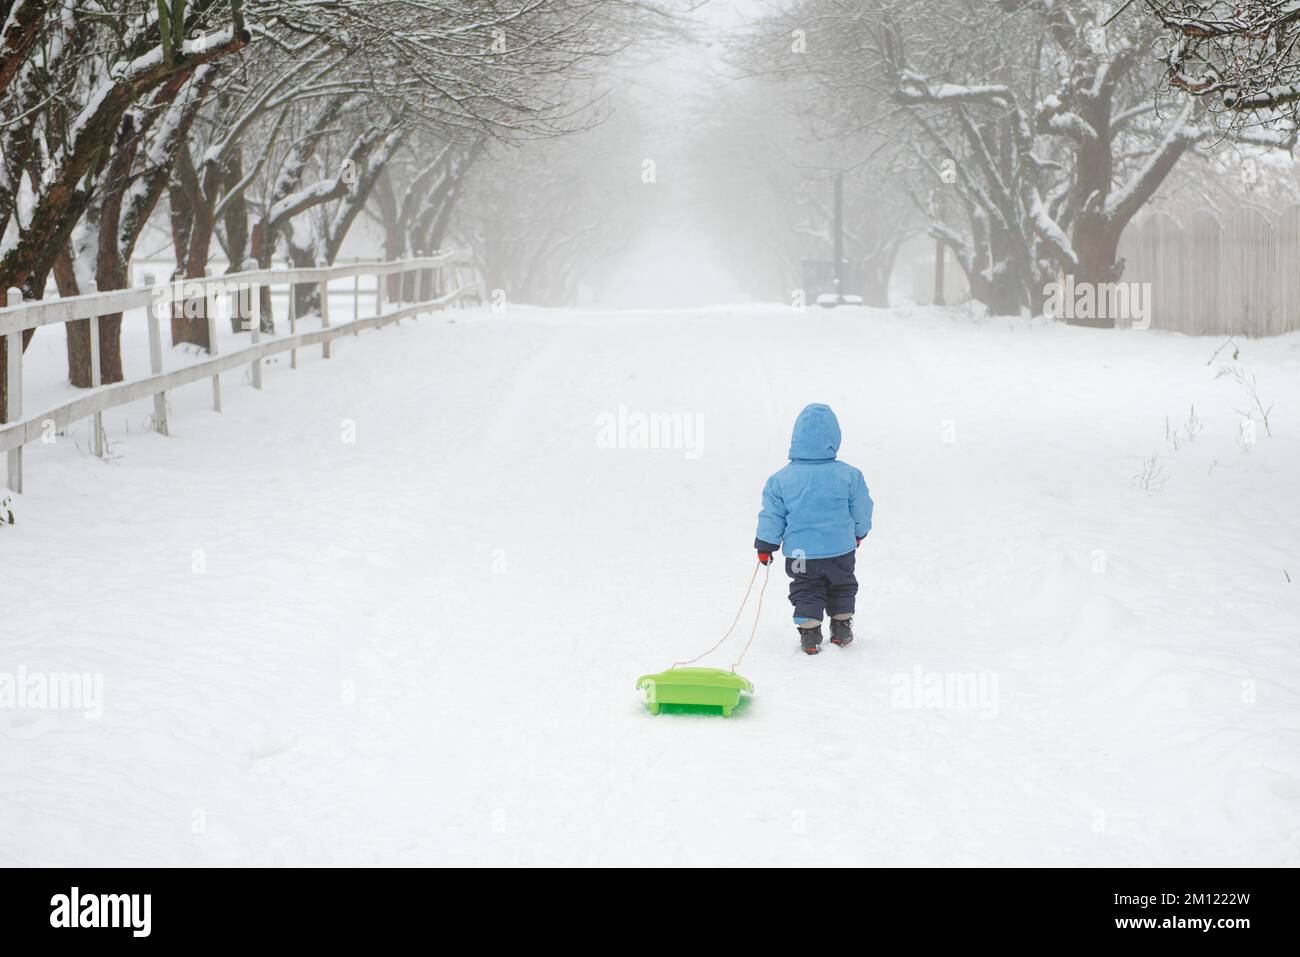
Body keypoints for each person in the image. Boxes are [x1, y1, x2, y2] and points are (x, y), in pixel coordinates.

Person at [754, 403, 873, 655]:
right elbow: (862, 508)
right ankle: (841, 625)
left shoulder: (781, 479)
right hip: (840, 550)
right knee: (842, 584)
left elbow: (772, 515)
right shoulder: (850, 475)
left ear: (796, 439)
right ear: (834, 438)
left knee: (805, 587)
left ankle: (809, 630)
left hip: (800, 554)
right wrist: (859, 533)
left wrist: (766, 545)